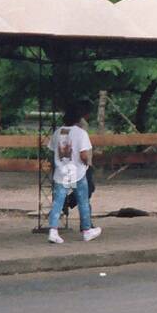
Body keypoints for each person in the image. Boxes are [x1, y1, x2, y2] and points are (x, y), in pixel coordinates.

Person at [47, 102, 101, 244]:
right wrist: (87, 163)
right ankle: (87, 230)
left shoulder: (57, 132)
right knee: (83, 201)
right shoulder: (81, 133)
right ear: (78, 118)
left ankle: (53, 230)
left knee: (58, 202)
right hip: (77, 171)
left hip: (62, 171)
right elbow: (84, 154)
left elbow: (51, 151)